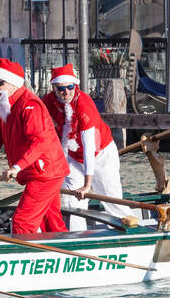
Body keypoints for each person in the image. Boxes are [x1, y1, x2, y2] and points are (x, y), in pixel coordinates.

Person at [0, 59, 69, 234]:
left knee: (22, 223)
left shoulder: (30, 105)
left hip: (45, 173)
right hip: (37, 173)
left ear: (13, 84)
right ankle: (66, 253)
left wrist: (17, 167)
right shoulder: (4, 106)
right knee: (52, 223)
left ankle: (26, 258)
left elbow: (39, 141)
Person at [42, 64, 130, 230]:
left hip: (101, 155)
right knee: (71, 202)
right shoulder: (48, 101)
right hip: (73, 156)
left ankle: (128, 231)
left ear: (75, 85)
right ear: (53, 87)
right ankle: (78, 237)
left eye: (70, 87)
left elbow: (89, 148)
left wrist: (87, 185)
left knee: (111, 200)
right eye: (61, 88)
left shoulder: (84, 105)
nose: (66, 92)